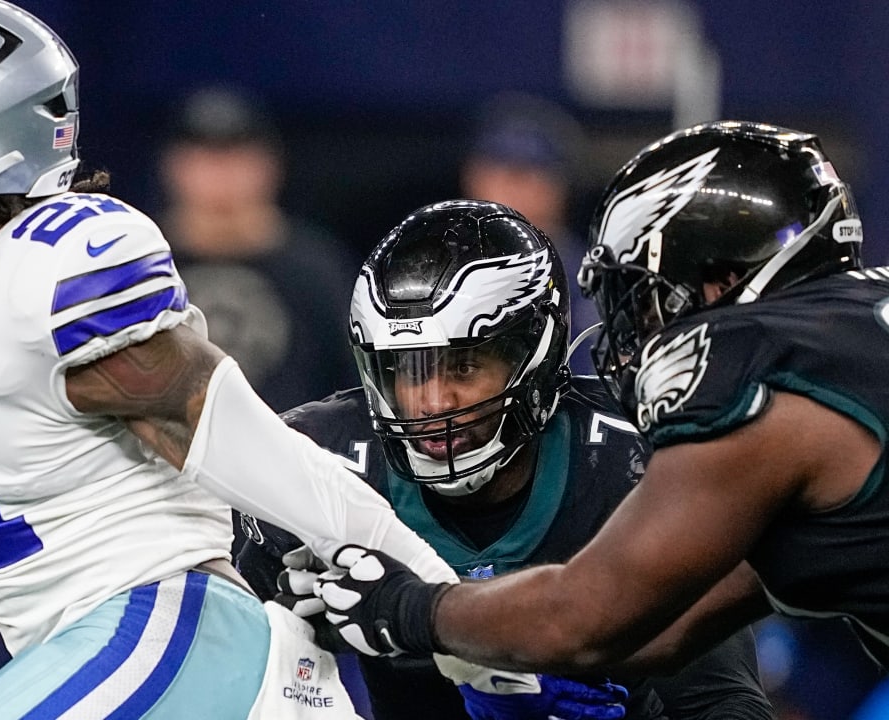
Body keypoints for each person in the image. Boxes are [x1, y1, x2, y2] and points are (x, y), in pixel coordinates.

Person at [0, 1, 472, 718]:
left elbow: (275, 463)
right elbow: (1, 466)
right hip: (88, 656)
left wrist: (450, 611)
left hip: (179, 626)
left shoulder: (52, 276)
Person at [306, 122, 889, 683]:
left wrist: (407, 607)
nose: (635, 329)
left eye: (644, 295)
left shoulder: (755, 374)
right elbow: (661, 626)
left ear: (721, 283)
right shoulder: (857, 325)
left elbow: (580, 619)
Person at [236, 199, 772, 718]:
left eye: (464, 367)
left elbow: (725, 704)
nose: (431, 402)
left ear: (531, 357)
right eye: (407, 369)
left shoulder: (634, 461)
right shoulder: (314, 462)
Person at [158, 86, 359, 411]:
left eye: (236, 159)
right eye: (205, 160)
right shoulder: (138, 265)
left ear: (269, 167)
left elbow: (354, 389)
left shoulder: (314, 269)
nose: (221, 177)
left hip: (292, 452)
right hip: (158, 456)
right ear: (174, 168)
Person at [459, 93, 597, 374]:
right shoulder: (437, 277)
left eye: (530, 173)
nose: (514, 189)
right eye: (501, 171)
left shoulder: (595, 280)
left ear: (561, 186)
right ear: (472, 176)